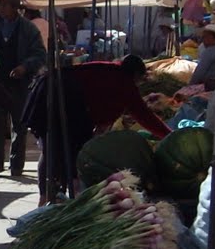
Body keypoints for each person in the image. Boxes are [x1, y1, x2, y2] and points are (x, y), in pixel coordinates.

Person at [22, 55, 170, 199]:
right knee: (70, 152)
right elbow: (144, 116)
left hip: (46, 90)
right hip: (64, 99)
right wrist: (168, 135)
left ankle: (47, 196)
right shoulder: (125, 83)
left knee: (50, 149)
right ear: (136, 74)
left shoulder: (107, 68)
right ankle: (68, 194)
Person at [0, 0, 46, 179]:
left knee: (19, 126)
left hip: (20, 85)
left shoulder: (28, 29)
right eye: (0, 4)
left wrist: (24, 67)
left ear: (14, 8)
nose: (1, 8)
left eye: (5, 5)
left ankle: (16, 166)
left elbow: (39, 55)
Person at [190, 23, 215, 91]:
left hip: (212, 86)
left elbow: (198, 74)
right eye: (203, 37)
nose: (204, 40)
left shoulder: (210, 51)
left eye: (207, 37)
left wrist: (190, 87)